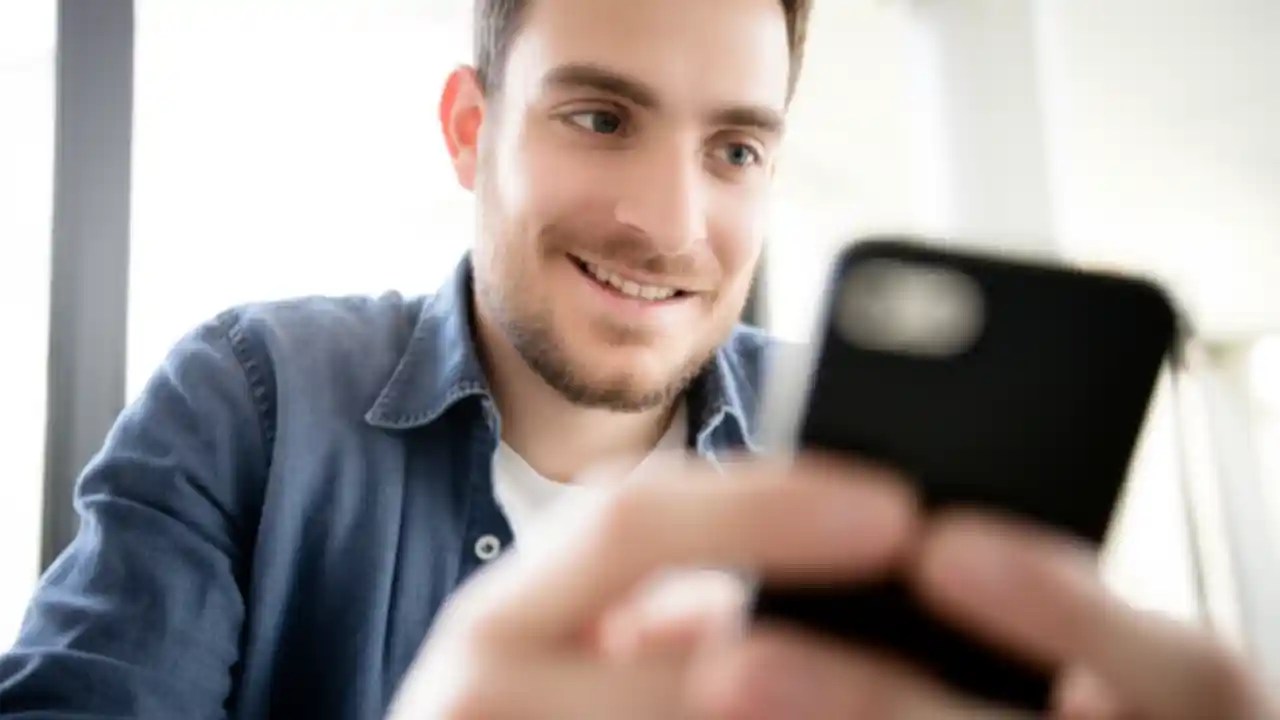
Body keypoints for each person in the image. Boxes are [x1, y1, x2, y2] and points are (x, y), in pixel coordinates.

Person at [2, 0, 1275, 717]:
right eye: (598, 116)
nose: (667, 227)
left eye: (735, 150)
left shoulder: (851, 458)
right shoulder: (253, 397)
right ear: (470, 129)